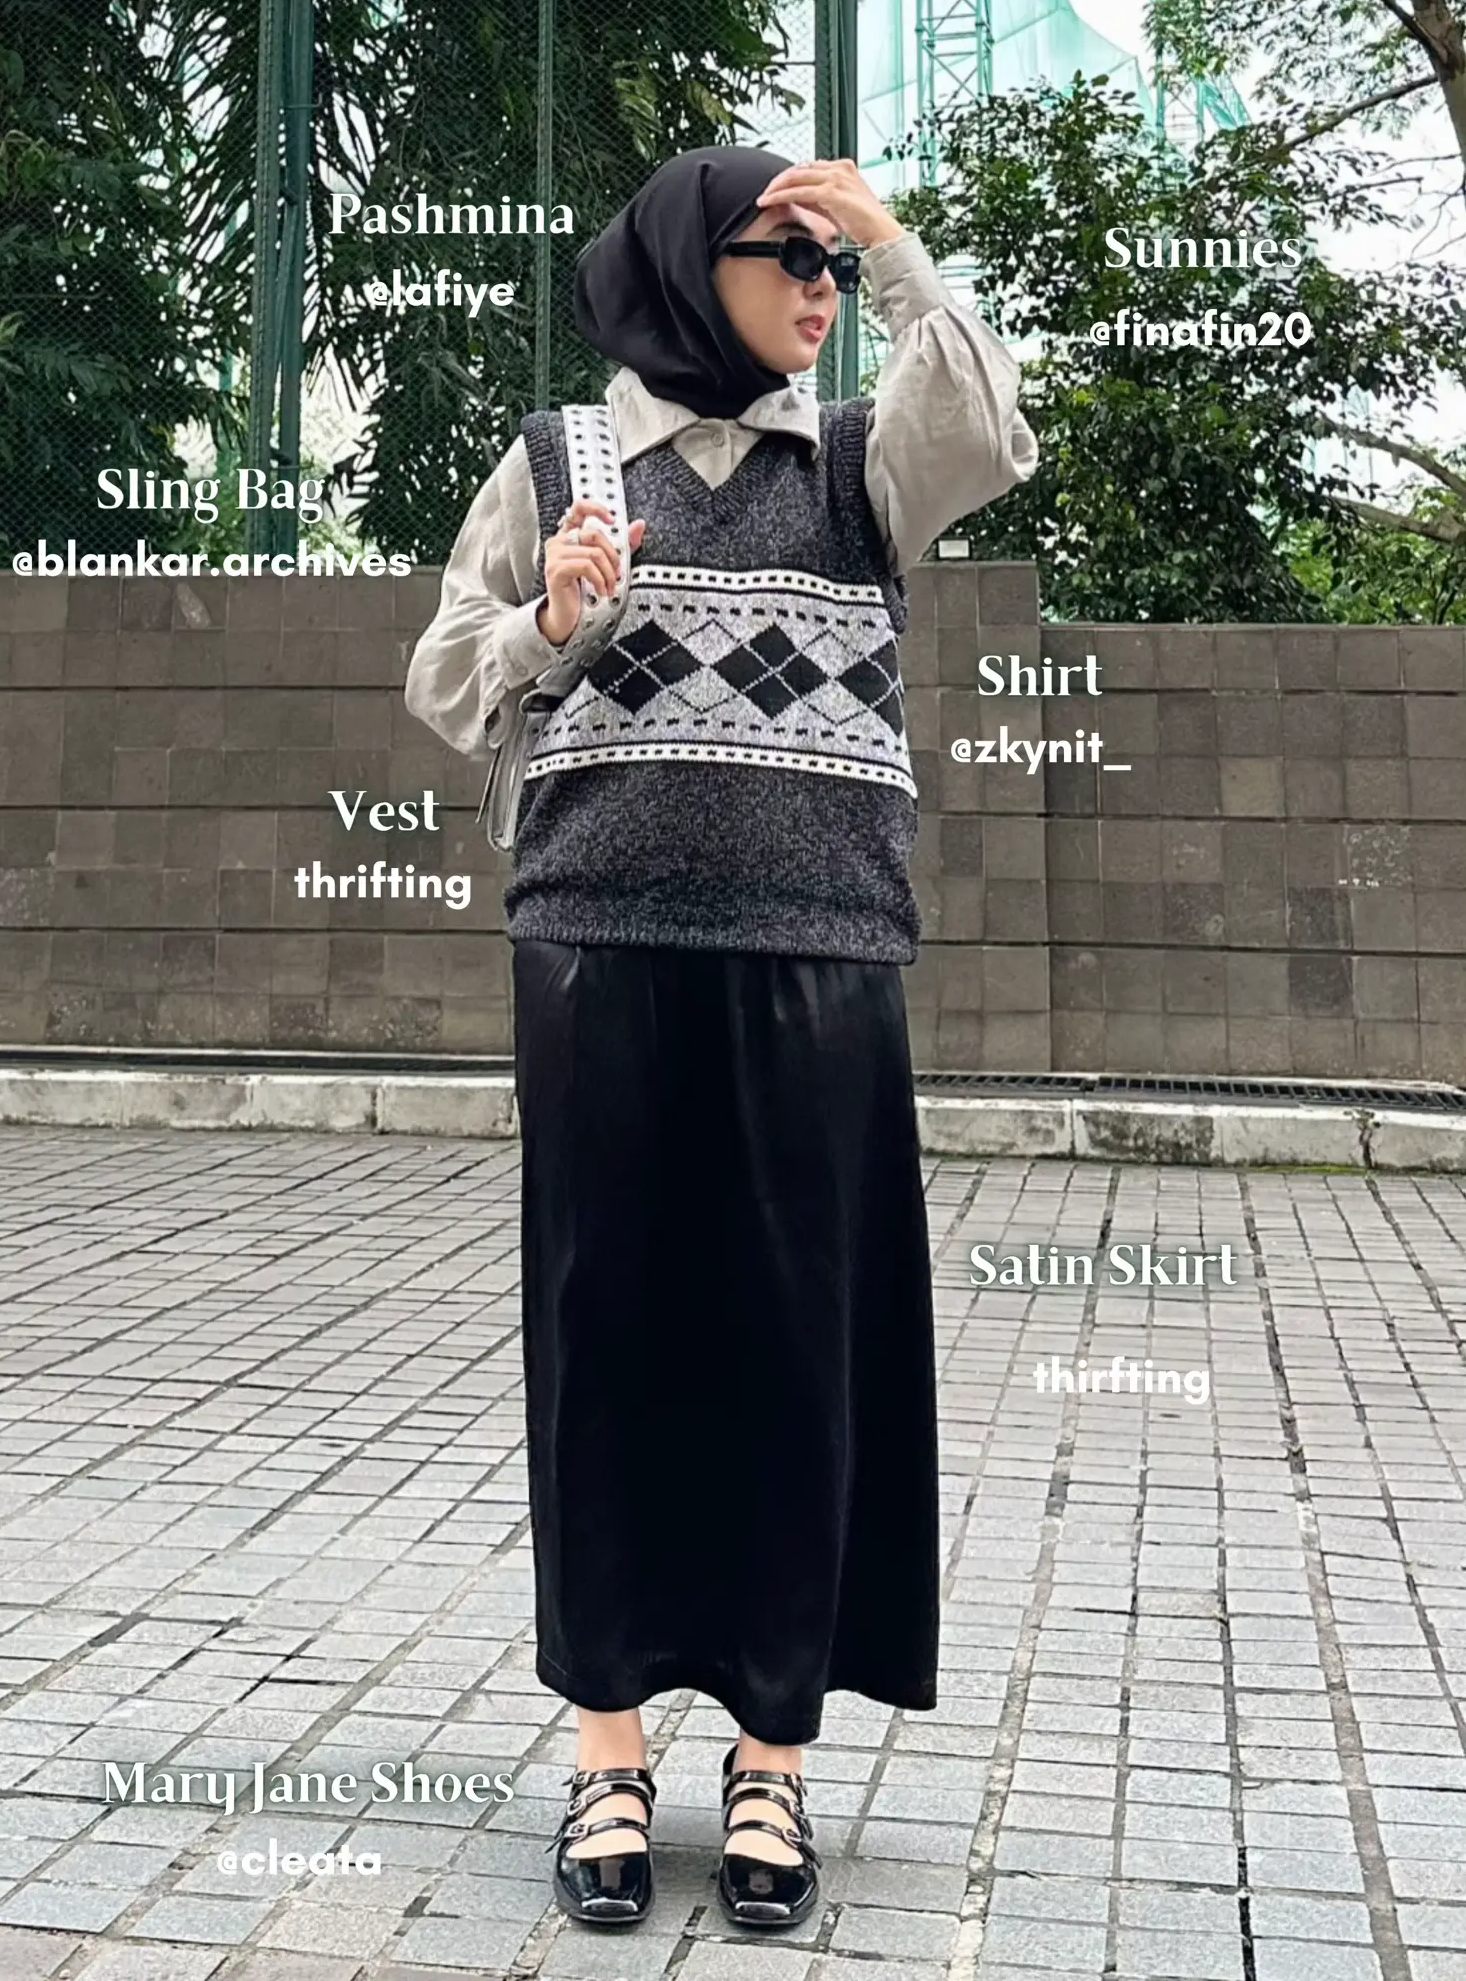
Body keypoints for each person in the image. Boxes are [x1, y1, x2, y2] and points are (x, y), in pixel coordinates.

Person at [404, 145, 1038, 1932]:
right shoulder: (559, 463)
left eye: (835, 265)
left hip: (821, 954)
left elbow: (988, 424)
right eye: (789, 257)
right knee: (606, 1338)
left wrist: (895, 243)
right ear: (695, 269)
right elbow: (443, 679)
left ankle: (774, 1763)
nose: (820, 291)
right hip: (598, 953)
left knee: (799, 1349)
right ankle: (608, 1755)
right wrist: (551, 621)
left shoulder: (857, 461)